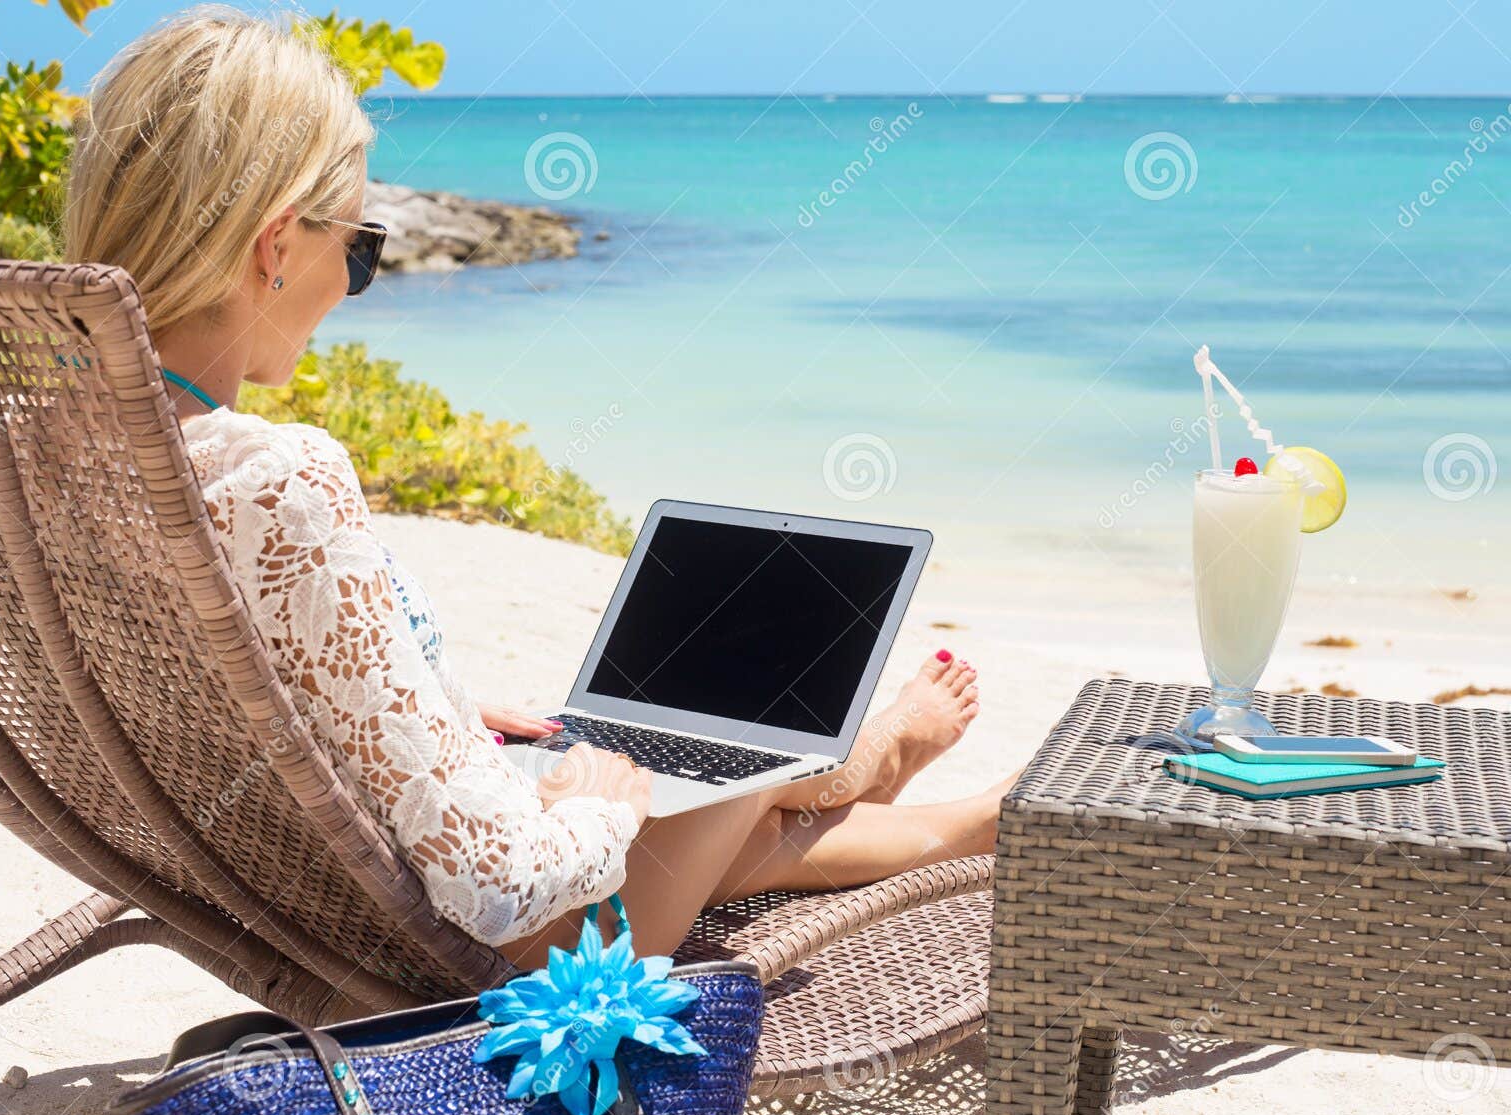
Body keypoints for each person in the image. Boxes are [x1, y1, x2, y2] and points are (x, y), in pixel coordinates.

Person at [63, 7, 1014, 965]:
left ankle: (910, 801)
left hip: (297, 894)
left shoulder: (49, 449)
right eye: (358, 248)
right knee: (739, 756)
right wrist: (593, 803)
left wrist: (404, 708)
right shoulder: (275, 478)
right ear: (274, 246)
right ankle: (865, 776)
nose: (354, 284)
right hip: (502, 945)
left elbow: (193, 683)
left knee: (711, 771)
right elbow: (497, 884)